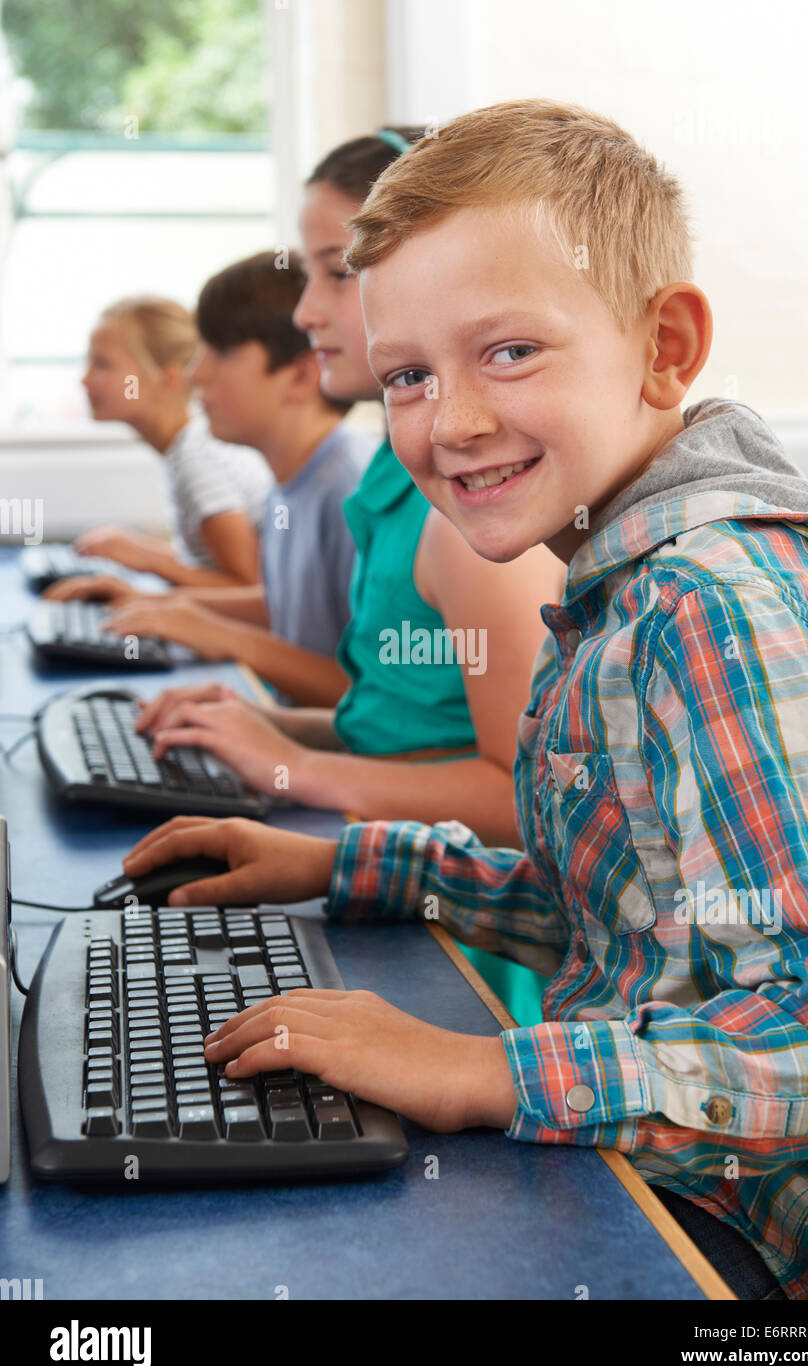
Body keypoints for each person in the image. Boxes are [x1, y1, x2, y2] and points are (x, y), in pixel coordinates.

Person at [122, 100, 808, 1301]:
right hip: (681, 1190)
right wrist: (344, 865)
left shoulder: (709, 606)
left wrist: (482, 1069)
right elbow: (637, 922)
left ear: (664, 347)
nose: (452, 420)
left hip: (771, 1260)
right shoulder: (616, 587)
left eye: (507, 351)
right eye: (409, 373)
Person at [129, 130, 565, 859]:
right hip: (387, 869)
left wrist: (298, 767)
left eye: (336, 273)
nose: (303, 314)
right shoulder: (393, 477)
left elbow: (519, 799)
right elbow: (404, 731)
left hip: (464, 942)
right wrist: (267, 725)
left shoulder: (472, 506)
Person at [56, 253, 371, 707]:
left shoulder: (349, 491)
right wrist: (172, 610)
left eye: (220, 352)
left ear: (301, 374)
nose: (194, 373)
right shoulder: (294, 480)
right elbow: (285, 608)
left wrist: (224, 636)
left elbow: (367, 696)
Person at [48, 296, 272, 588]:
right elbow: (206, 564)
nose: (85, 380)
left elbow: (249, 590)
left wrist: (148, 559)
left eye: (102, 364)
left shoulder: (198, 461)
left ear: (166, 380)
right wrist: (140, 550)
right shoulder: (185, 449)